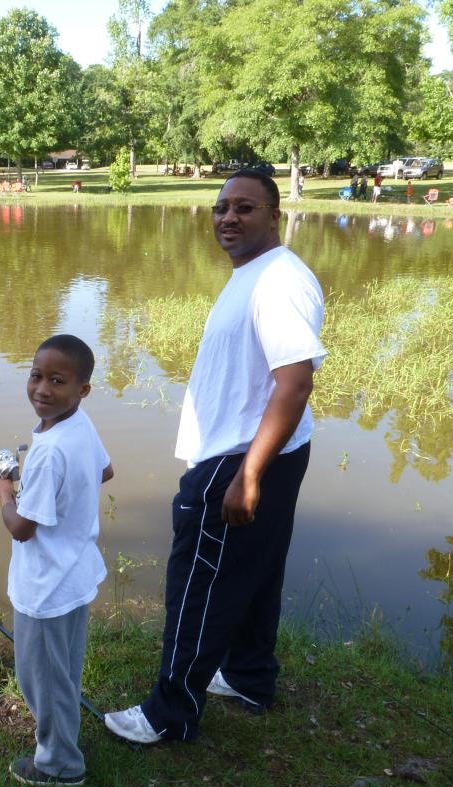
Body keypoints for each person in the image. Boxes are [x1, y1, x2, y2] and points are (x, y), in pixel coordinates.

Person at [103, 168, 327, 745]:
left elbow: (295, 383)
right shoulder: (257, 273)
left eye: (245, 207)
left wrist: (248, 475)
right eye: (222, 207)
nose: (229, 217)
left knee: (197, 582)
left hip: (242, 457)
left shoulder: (278, 282)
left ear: (274, 215)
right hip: (263, 452)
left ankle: (169, 713)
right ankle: (250, 676)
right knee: (256, 571)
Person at [0, 334, 114, 787]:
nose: (42, 389)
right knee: (62, 672)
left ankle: (60, 766)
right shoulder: (78, 424)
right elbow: (104, 471)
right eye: (36, 376)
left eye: (57, 381)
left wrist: (5, 493)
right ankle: (63, 743)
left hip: (45, 589)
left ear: (83, 388)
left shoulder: (48, 451)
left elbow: (22, 528)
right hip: (75, 576)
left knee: (42, 680)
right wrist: (43, 487)